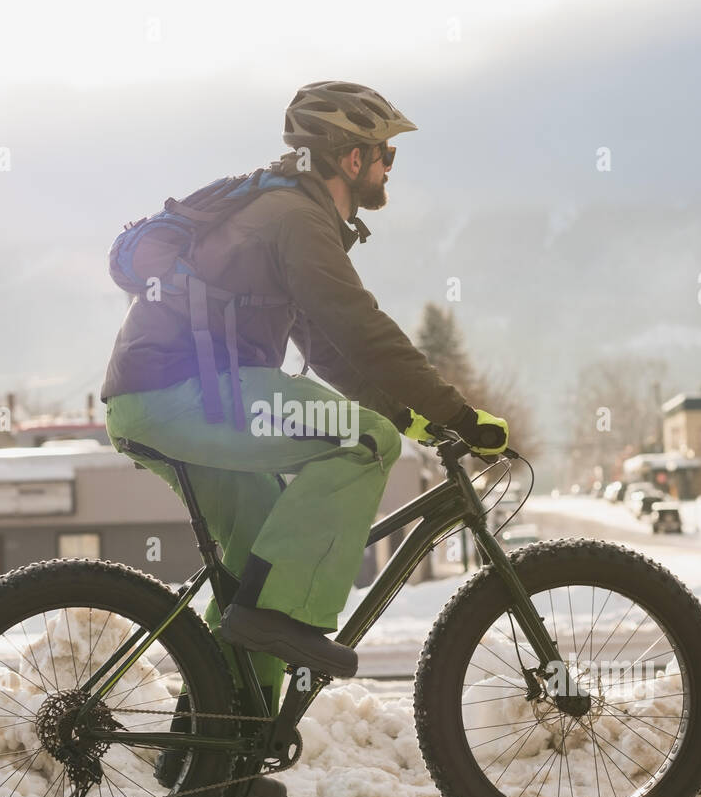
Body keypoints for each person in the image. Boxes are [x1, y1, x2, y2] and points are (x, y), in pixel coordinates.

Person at [102, 80, 508, 719]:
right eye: (385, 155)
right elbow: (361, 327)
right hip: (188, 396)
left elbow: (326, 347)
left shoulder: (281, 214)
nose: (388, 169)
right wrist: (457, 411)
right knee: (366, 441)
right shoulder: (296, 217)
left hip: (168, 400)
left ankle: (222, 738)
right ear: (351, 158)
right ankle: (282, 618)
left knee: (257, 557)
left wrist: (418, 419)